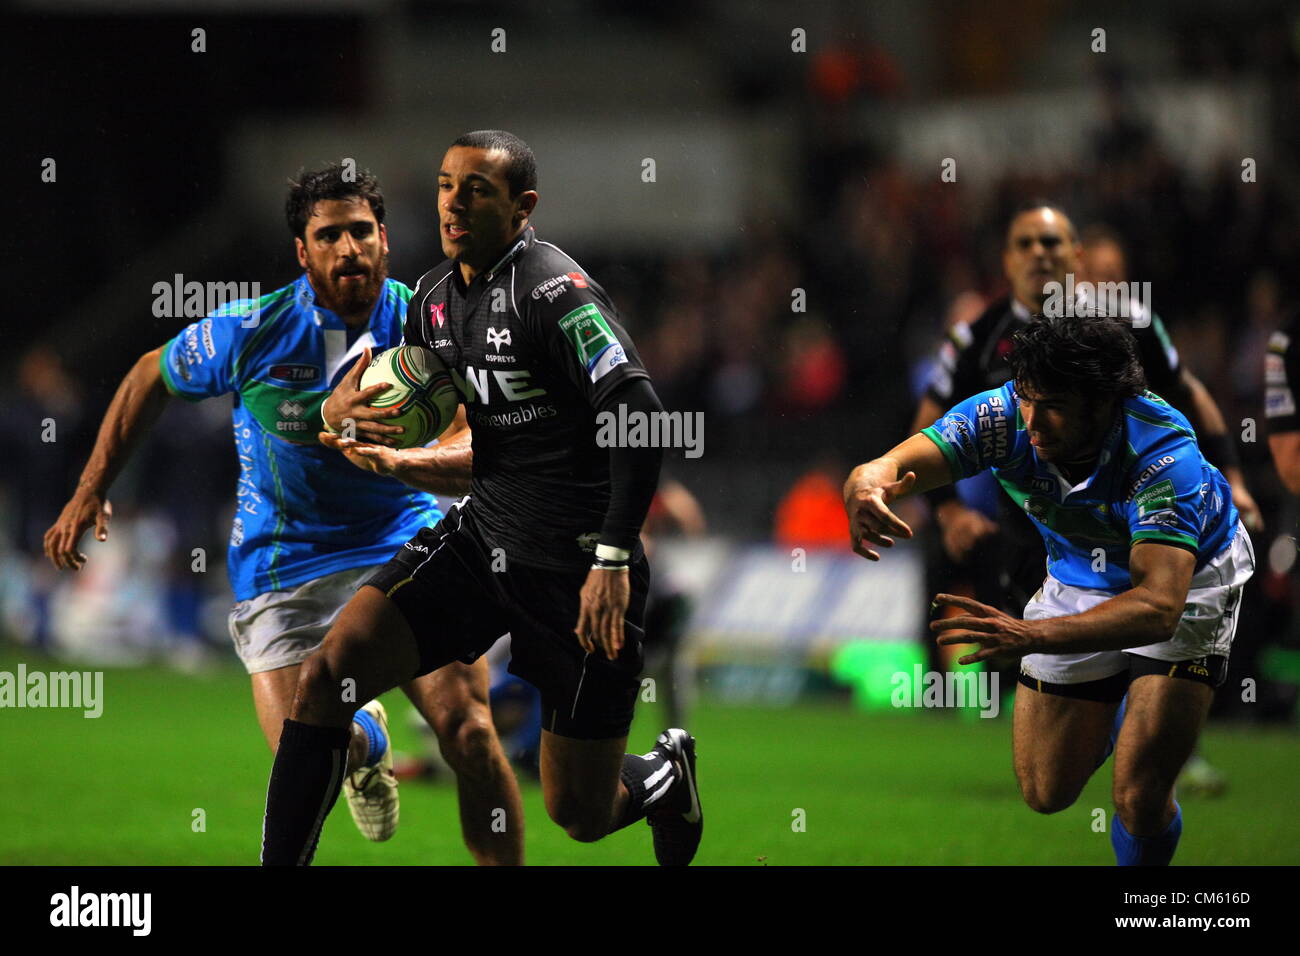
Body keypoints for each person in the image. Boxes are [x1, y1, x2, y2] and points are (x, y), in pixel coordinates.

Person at [44, 163, 524, 865]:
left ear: (385, 239)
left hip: (406, 541)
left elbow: (478, 427)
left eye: (361, 231)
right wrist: (92, 484)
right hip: (284, 562)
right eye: (328, 235)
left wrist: (422, 457)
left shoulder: (430, 321)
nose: (348, 249)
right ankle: (367, 740)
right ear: (303, 251)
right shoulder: (252, 329)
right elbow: (152, 371)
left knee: (471, 732)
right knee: (309, 766)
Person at [261, 130, 703, 866]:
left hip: (576, 569)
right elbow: (489, 454)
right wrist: (383, 444)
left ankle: (661, 777)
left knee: (580, 811)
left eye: (477, 191)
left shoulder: (555, 294)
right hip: (480, 542)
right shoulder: (432, 301)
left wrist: (615, 558)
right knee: (327, 676)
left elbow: (642, 414)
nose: (454, 204)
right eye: (444, 186)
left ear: (523, 207)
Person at [845, 314, 1254, 865]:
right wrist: (866, 484)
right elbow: (889, 465)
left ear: (1106, 403)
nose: (1033, 422)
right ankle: (1116, 702)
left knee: (1139, 791)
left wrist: (1032, 634)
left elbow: (1159, 606)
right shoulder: (1004, 415)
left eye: (1054, 405)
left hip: (1191, 580)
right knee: (1045, 790)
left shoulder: (1163, 456)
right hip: (1079, 573)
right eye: (1028, 399)